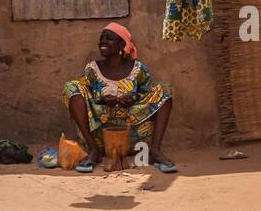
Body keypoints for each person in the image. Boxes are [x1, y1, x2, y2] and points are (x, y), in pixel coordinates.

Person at [62, 22, 176, 173]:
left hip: (134, 136)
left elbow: (146, 94)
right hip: (99, 134)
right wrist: (102, 99)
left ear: (122, 44)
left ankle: (154, 151)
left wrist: (133, 98)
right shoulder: (92, 68)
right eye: (101, 39)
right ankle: (93, 150)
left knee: (165, 90)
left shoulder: (138, 69)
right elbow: (86, 95)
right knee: (71, 87)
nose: (102, 42)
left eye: (109, 38)